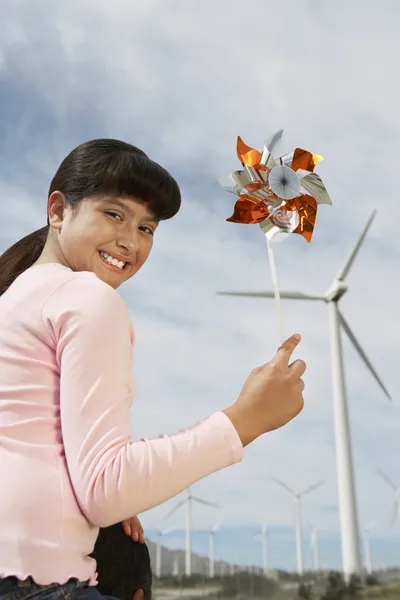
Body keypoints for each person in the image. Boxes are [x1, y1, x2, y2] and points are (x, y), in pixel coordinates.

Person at [0, 138, 306, 600]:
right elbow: (105, 488)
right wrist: (246, 419)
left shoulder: (14, 297)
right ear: (58, 210)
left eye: (147, 228)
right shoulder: (87, 298)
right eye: (114, 214)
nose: (130, 240)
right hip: (37, 584)